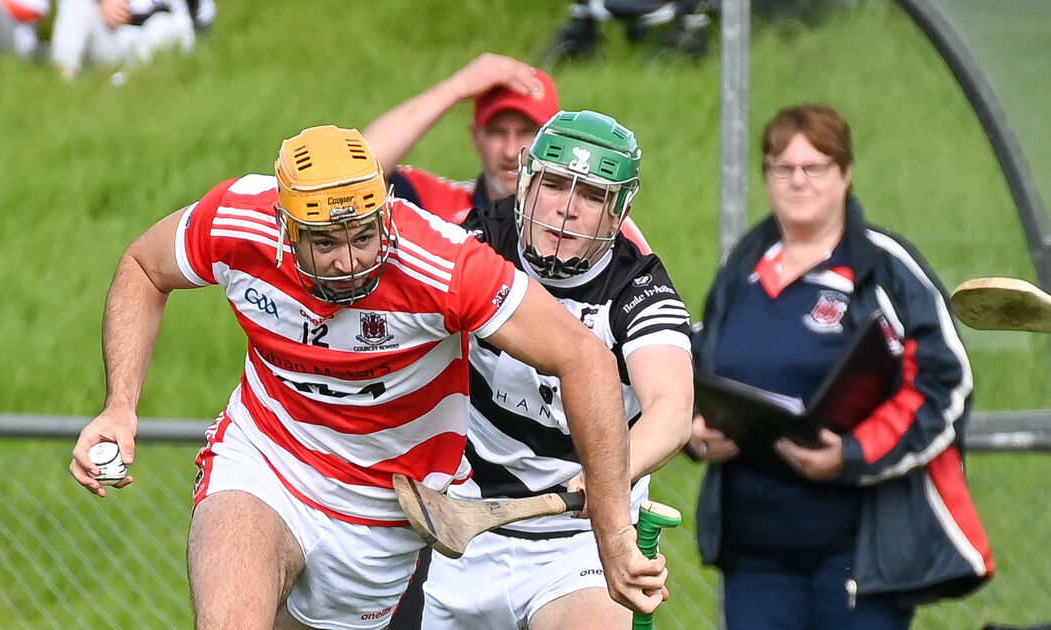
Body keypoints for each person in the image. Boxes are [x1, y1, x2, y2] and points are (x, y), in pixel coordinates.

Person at [68, 124, 668, 629]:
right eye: (327, 242)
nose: (351, 260)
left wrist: (614, 534)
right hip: (269, 460)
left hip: (381, 514)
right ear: (285, 227)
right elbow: (144, 267)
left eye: (363, 235)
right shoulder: (237, 221)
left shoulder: (442, 263)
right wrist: (120, 404)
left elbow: (584, 358)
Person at [686, 103, 994, 629]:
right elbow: (695, 369)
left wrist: (853, 453)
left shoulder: (885, 268)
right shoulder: (741, 270)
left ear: (846, 174)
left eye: (816, 167)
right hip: (754, 555)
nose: (797, 181)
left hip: (856, 555)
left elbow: (945, 381)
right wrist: (691, 430)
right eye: (782, 168)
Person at [413, 109, 694, 630]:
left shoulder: (637, 287)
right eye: (556, 184)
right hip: (468, 531)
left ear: (618, 213)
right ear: (526, 183)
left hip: (581, 543)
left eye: (592, 196)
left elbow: (672, 408)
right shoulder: (477, 243)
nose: (567, 210)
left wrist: (611, 475)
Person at [363, 52, 651, 252]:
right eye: (498, 133)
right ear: (476, 137)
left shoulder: (589, 219)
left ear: (554, 142)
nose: (512, 150)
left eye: (526, 132)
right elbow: (358, 170)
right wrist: (456, 88)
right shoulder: (432, 203)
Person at [50, 0, 198, 80]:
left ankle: (125, 82)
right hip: (109, 40)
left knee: (163, 25)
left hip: (150, 52)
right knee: (78, 6)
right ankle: (64, 78)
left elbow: (189, 24)